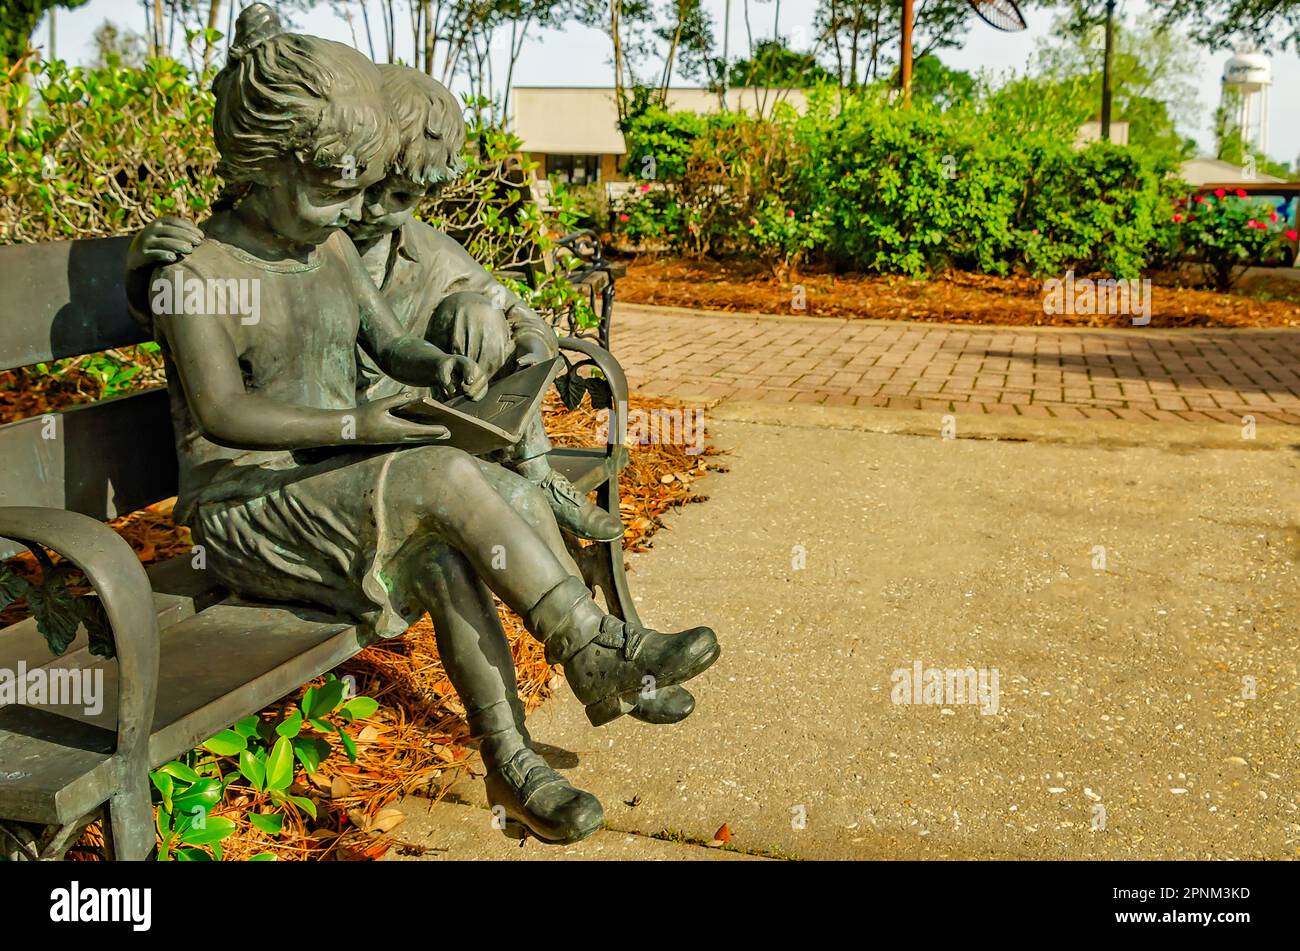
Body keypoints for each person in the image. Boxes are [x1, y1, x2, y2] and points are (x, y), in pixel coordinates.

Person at [140, 3, 718, 844]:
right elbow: (225, 413)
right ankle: (594, 648)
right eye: (333, 188)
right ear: (263, 165)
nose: (350, 210)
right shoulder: (194, 271)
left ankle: (512, 760)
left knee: (454, 545)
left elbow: (390, 339)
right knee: (443, 478)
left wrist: (435, 368)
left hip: (324, 485)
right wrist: (362, 423)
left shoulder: (330, 248)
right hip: (245, 509)